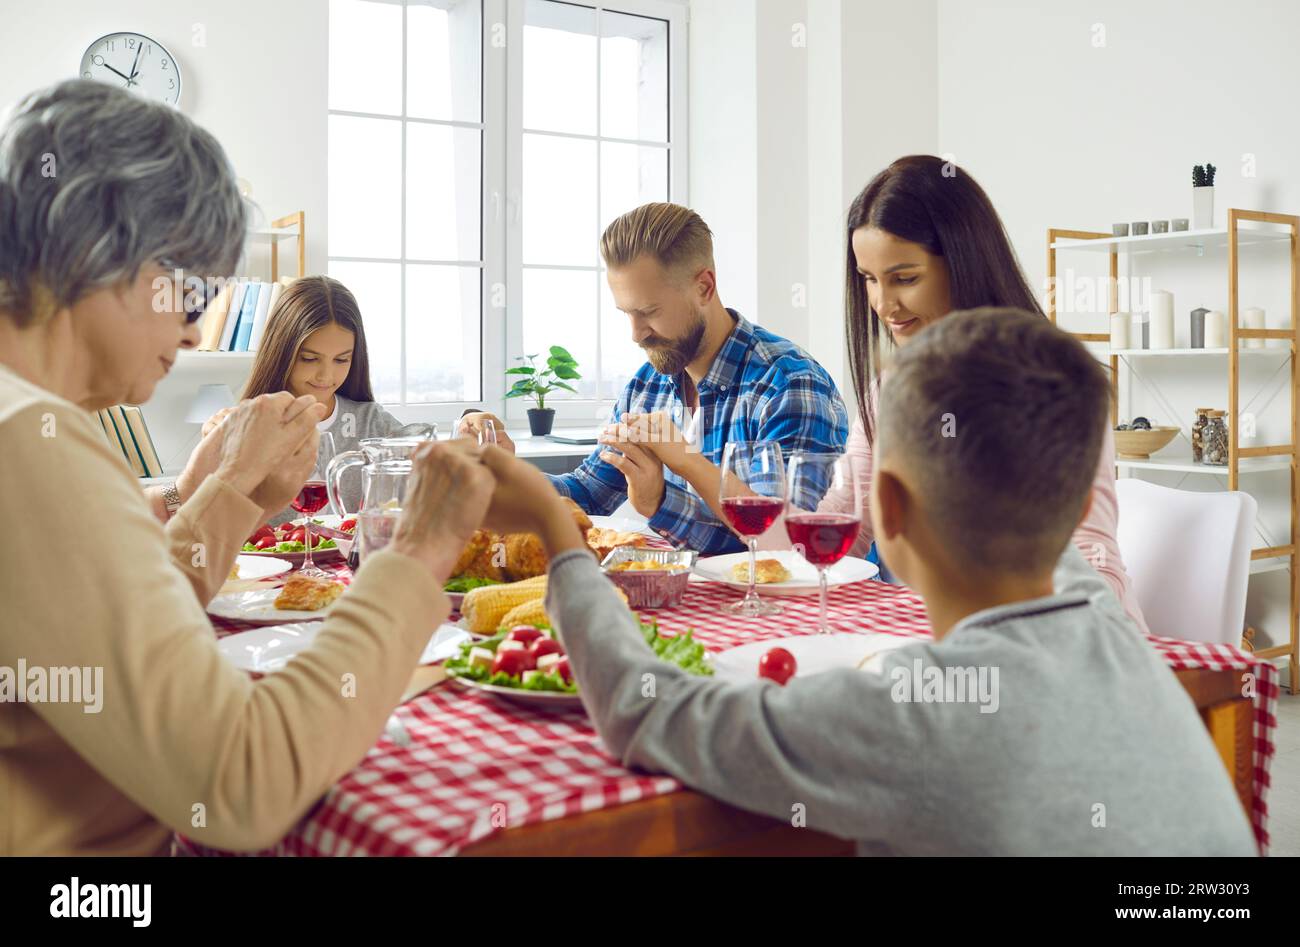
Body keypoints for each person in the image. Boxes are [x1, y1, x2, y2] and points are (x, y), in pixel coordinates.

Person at [474, 308, 1257, 855]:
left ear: (885, 507)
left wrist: (554, 529)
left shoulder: (913, 713)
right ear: (1082, 503)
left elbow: (645, 712)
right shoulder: (1106, 617)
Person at [0, 79, 495, 855]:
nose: (196, 334)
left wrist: (220, 494)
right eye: (191, 293)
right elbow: (240, 783)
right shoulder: (31, 451)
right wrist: (416, 557)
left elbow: (113, 632)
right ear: (104, 251)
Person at [627, 156, 1149, 633]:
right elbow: (828, 539)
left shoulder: (1049, 384)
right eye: (869, 280)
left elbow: (1091, 553)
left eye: (904, 278)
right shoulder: (889, 393)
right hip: (950, 645)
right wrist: (690, 462)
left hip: (1065, 641)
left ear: (964, 263)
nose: (882, 303)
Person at [458, 202, 848, 554]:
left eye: (649, 311)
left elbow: (790, 549)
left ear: (704, 287)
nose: (636, 333)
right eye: (625, 313)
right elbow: (588, 493)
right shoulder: (649, 384)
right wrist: (504, 471)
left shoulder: (789, 384)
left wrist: (662, 499)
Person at [200, 275, 407, 523]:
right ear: (282, 352)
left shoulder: (371, 422)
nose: (326, 375)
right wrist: (212, 460)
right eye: (309, 358)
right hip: (270, 561)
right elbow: (209, 520)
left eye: (342, 359)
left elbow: (431, 459)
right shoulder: (248, 427)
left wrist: (465, 421)